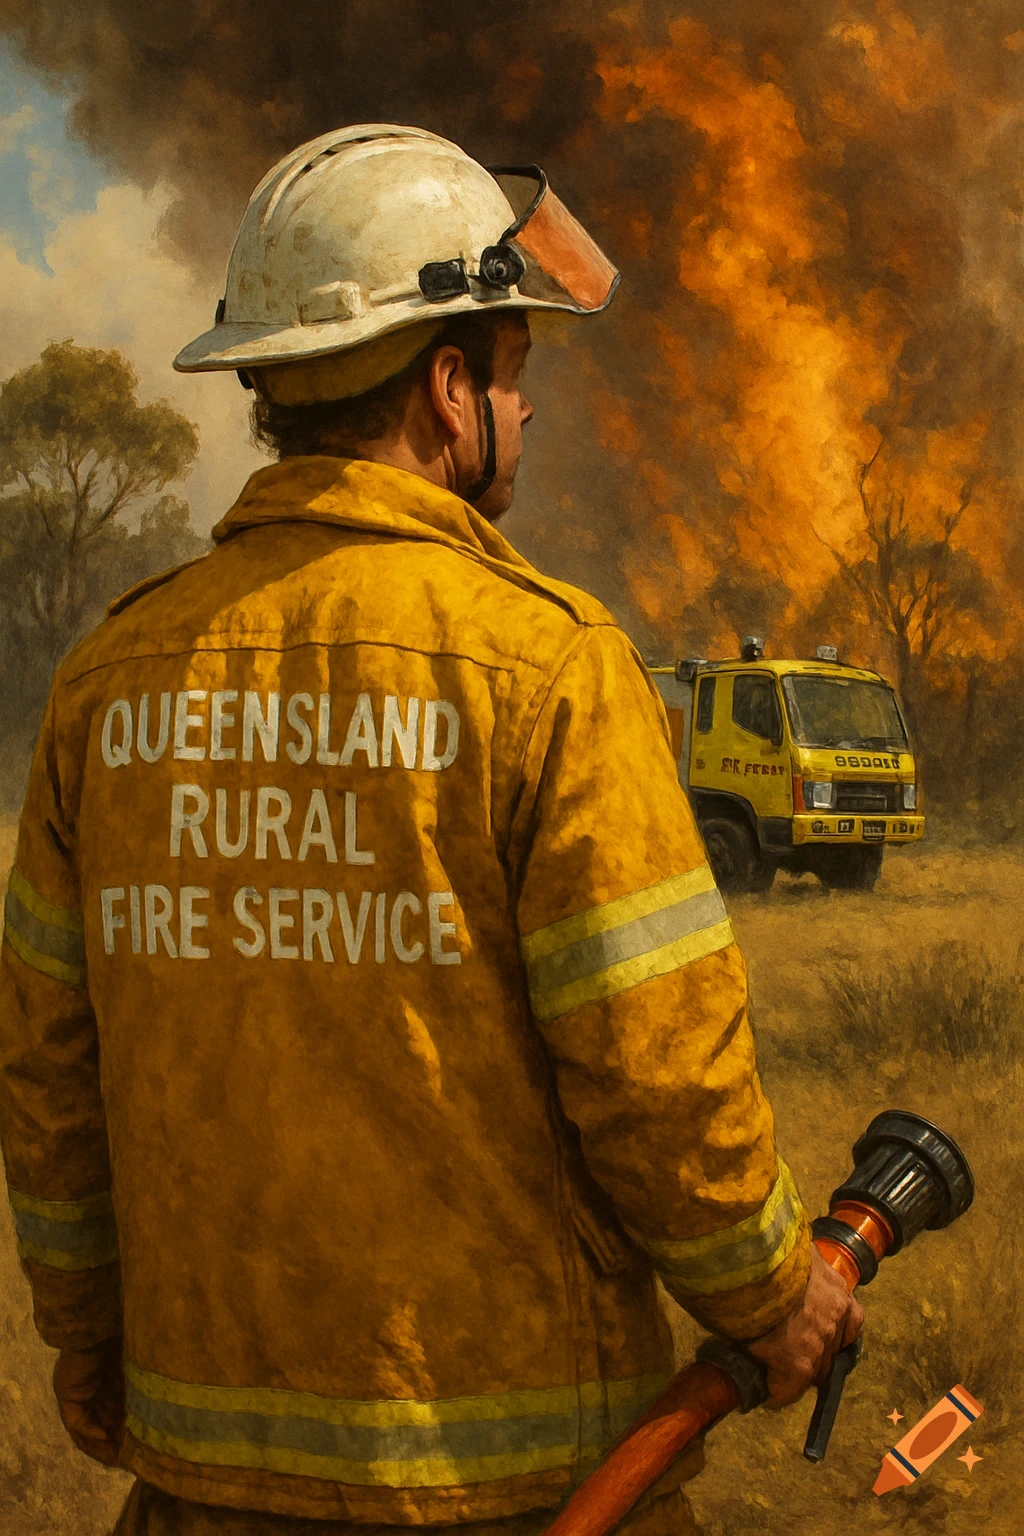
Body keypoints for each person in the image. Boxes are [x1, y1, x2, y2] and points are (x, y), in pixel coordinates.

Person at [0, 126, 862, 1536]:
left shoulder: (109, 683)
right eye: (515, 374)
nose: (527, 412)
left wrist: (88, 1337)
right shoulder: (549, 669)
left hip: (200, 1479)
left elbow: (48, 1080)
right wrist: (774, 1296)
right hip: (525, 1491)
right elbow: (661, 1077)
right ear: (450, 392)